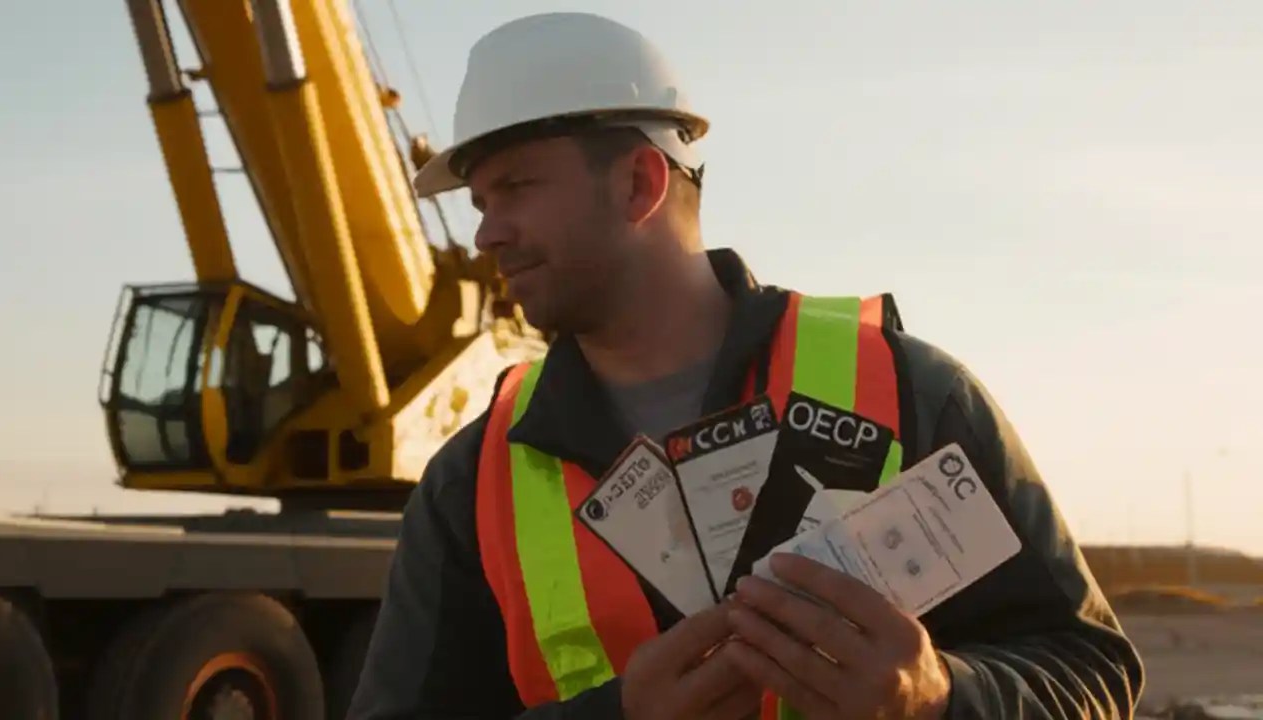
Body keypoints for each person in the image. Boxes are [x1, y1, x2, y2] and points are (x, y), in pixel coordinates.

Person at [348, 11, 1144, 720]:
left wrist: (936, 699)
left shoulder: (914, 394)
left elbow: (1091, 672)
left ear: (639, 183)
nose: (487, 232)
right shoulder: (471, 483)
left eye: (514, 188)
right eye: (480, 203)